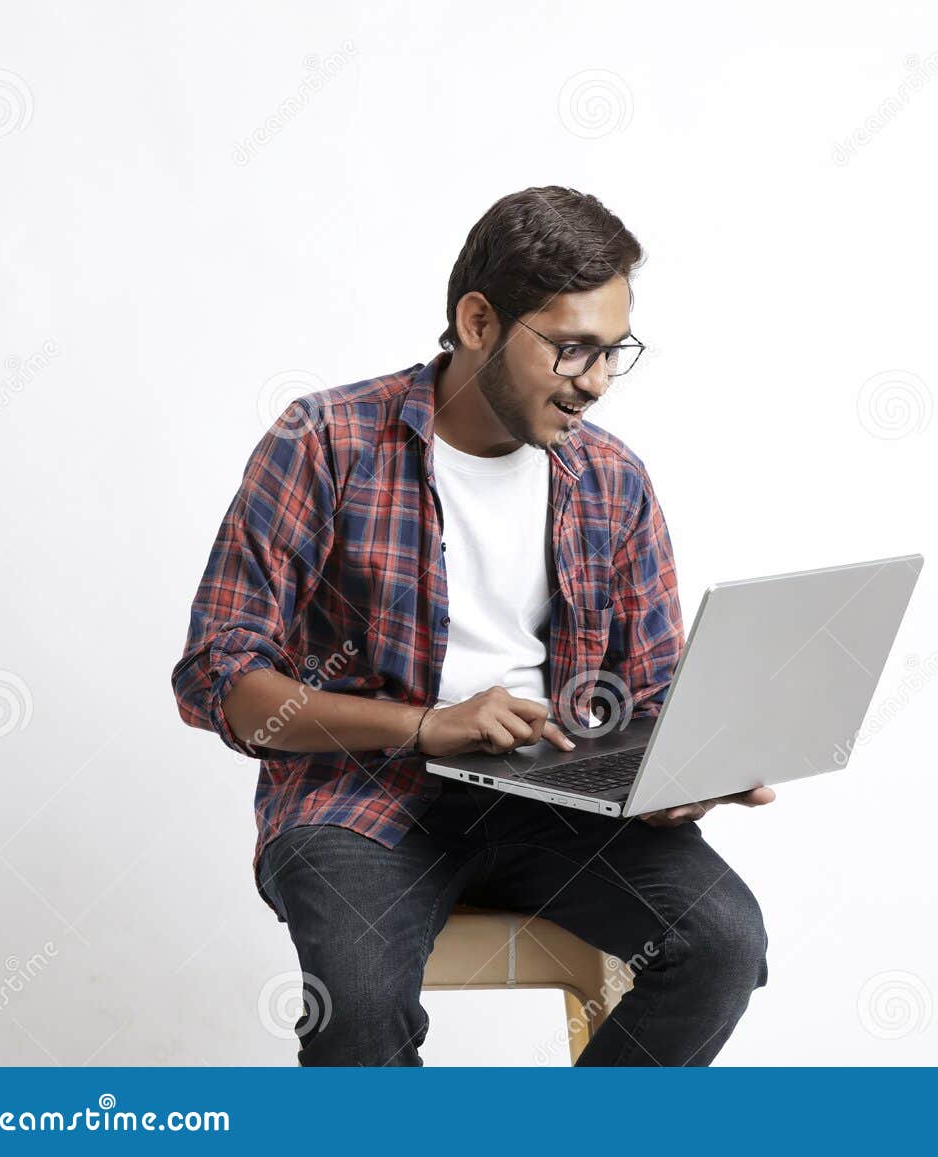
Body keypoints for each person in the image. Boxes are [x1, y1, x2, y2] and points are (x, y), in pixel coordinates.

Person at [171, 186, 772, 1066]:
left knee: (722, 943)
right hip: (360, 802)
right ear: (479, 320)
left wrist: (683, 775)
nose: (596, 383)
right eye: (571, 350)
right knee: (357, 1008)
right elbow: (217, 675)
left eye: (613, 353)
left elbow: (650, 692)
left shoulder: (612, 480)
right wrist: (423, 725)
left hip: (561, 803)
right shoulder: (326, 439)